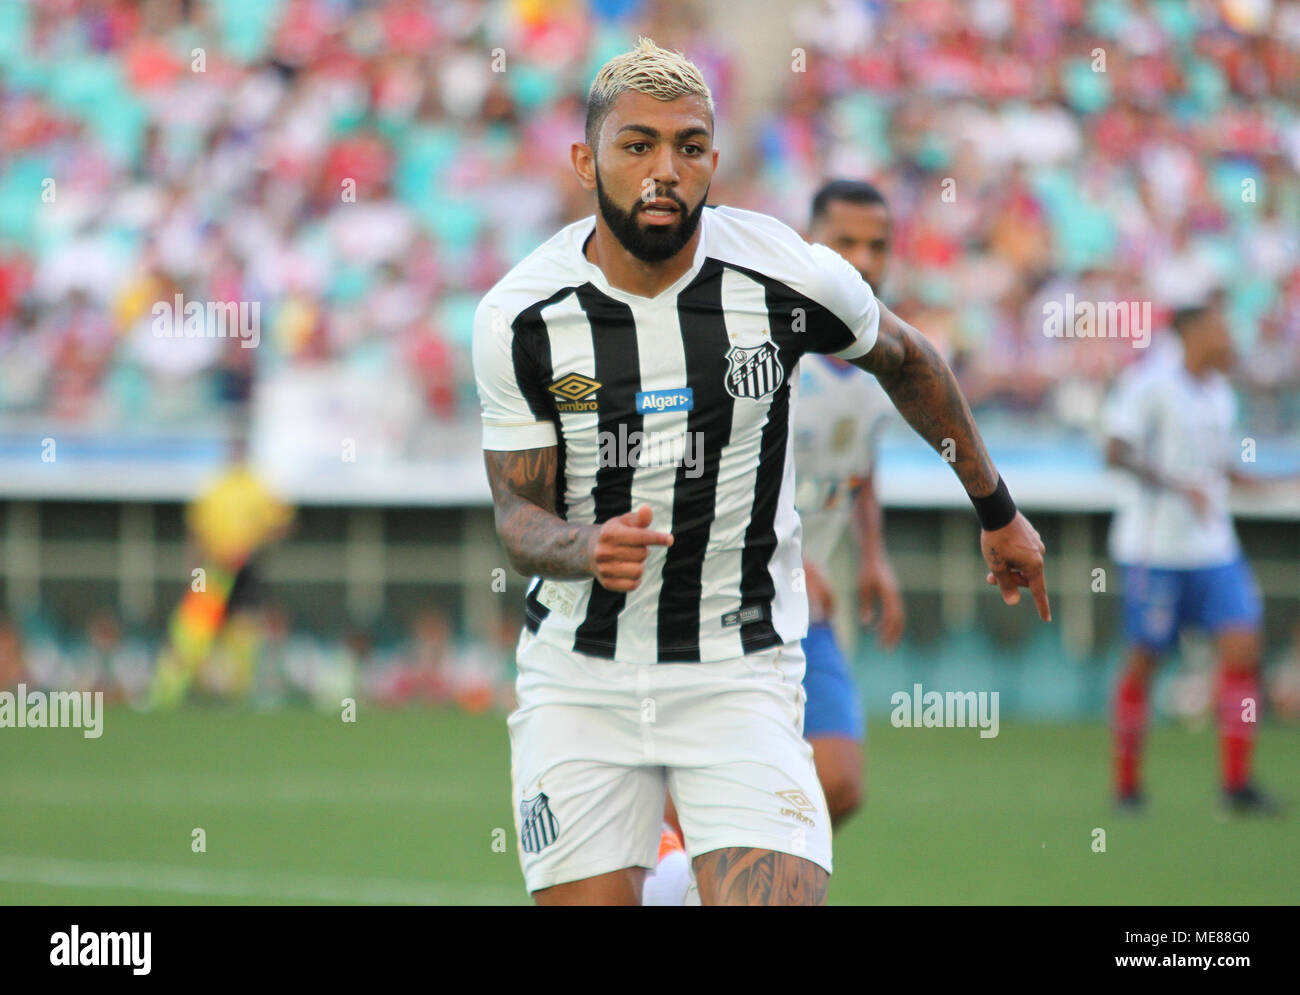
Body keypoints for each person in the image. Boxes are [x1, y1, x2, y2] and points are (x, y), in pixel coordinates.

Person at [472, 37, 1050, 906]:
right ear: (585, 160)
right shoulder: (522, 315)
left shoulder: (782, 274)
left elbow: (908, 357)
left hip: (739, 666)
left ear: (715, 158)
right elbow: (517, 517)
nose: (665, 170)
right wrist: (583, 545)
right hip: (580, 677)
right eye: (638, 146)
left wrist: (998, 511)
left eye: (691, 146)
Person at [1104, 301, 1283, 814]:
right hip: (1153, 548)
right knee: (1145, 661)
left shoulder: (1221, 395)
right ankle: (1127, 785)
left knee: (1243, 647)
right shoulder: (1150, 384)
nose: (1228, 335)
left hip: (1212, 547)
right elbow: (1115, 450)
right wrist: (1179, 487)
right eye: (1219, 325)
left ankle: (1236, 782)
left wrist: (1283, 483)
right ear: (1189, 333)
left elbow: (1222, 470)